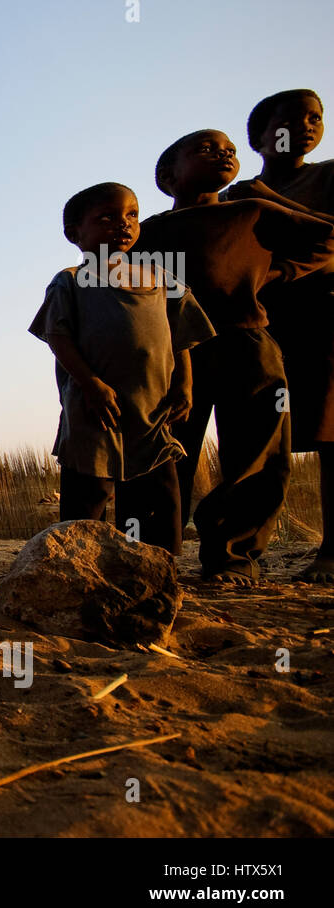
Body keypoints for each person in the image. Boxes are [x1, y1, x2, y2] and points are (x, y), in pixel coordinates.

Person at [135, 129, 334, 585]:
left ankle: (233, 556)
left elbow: (327, 237)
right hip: (172, 351)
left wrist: (276, 273)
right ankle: (153, 553)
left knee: (257, 453)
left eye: (229, 150)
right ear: (168, 176)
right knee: (163, 451)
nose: (222, 154)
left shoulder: (252, 211)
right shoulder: (148, 232)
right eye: (205, 149)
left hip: (247, 340)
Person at [29, 183, 215, 554]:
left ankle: (157, 563)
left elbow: (181, 339)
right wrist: (91, 384)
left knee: (159, 490)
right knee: (88, 491)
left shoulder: (161, 279)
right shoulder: (71, 280)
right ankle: (79, 561)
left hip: (153, 410)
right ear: (74, 233)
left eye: (132, 215)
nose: (123, 224)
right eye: (107, 218)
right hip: (95, 409)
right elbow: (57, 337)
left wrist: (185, 387)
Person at [224, 90, 334, 581]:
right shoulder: (234, 196)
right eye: (291, 119)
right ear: (259, 136)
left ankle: (331, 551)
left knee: (331, 435)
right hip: (259, 323)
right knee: (255, 437)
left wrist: (267, 203)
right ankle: (239, 551)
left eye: (316, 118)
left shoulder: (328, 176)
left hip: (323, 315)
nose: (307, 126)